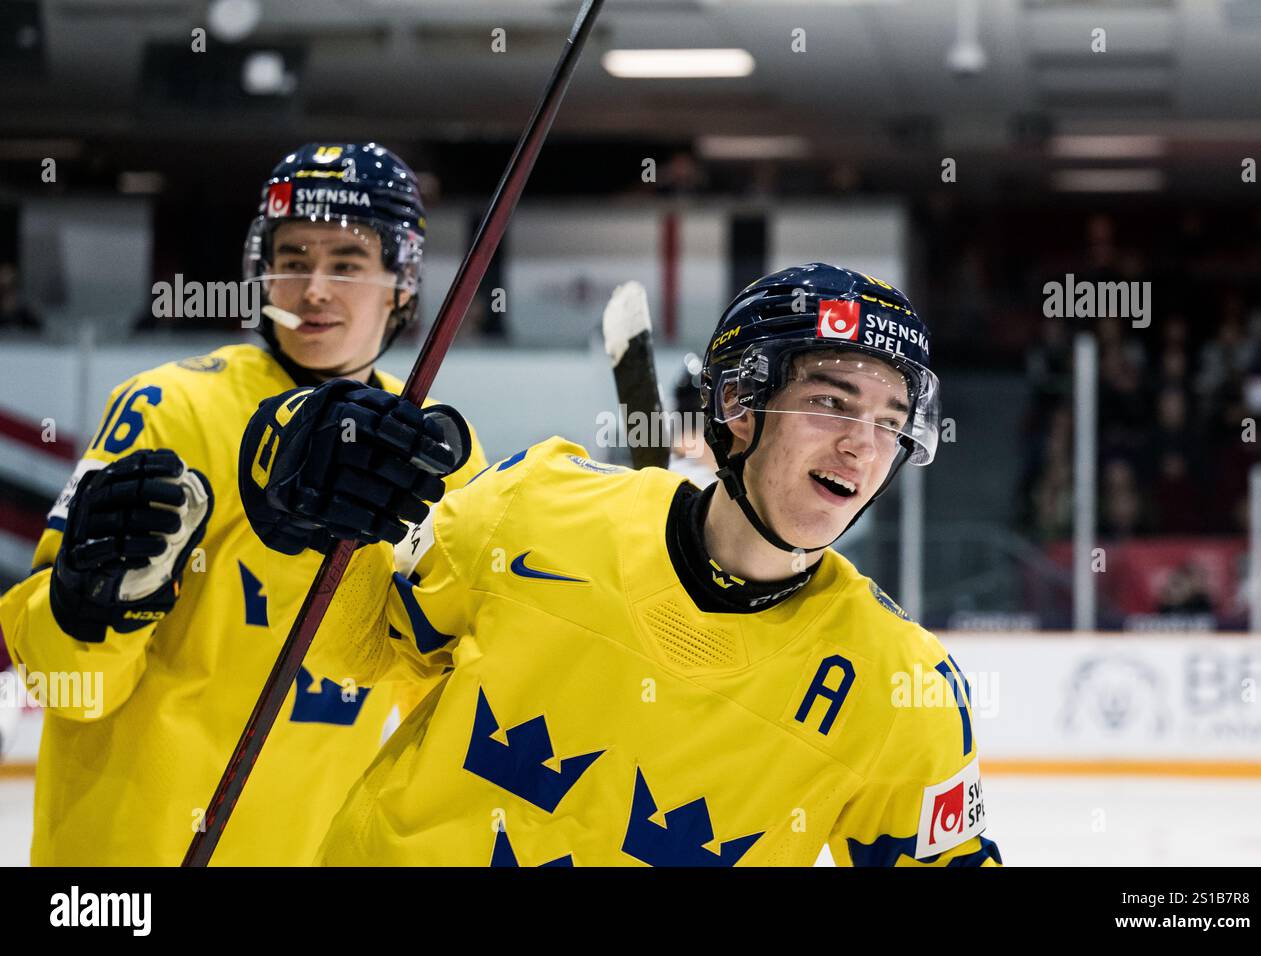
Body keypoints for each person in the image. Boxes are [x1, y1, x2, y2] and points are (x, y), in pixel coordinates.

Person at [240, 263, 1001, 866]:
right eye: (833, 404)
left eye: (890, 423)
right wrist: (312, 505)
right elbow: (365, 649)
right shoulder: (537, 503)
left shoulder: (901, 689)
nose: (863, 447)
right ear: (738, 403)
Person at [0, 142, 488, 865]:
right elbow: (62, 684)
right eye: (293, 258)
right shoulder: (167, 409)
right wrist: (83, 605)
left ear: (402, 282)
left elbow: (439, 700)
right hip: (131, 865)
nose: (314, 288)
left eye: (347, 263)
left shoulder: (432, 455)